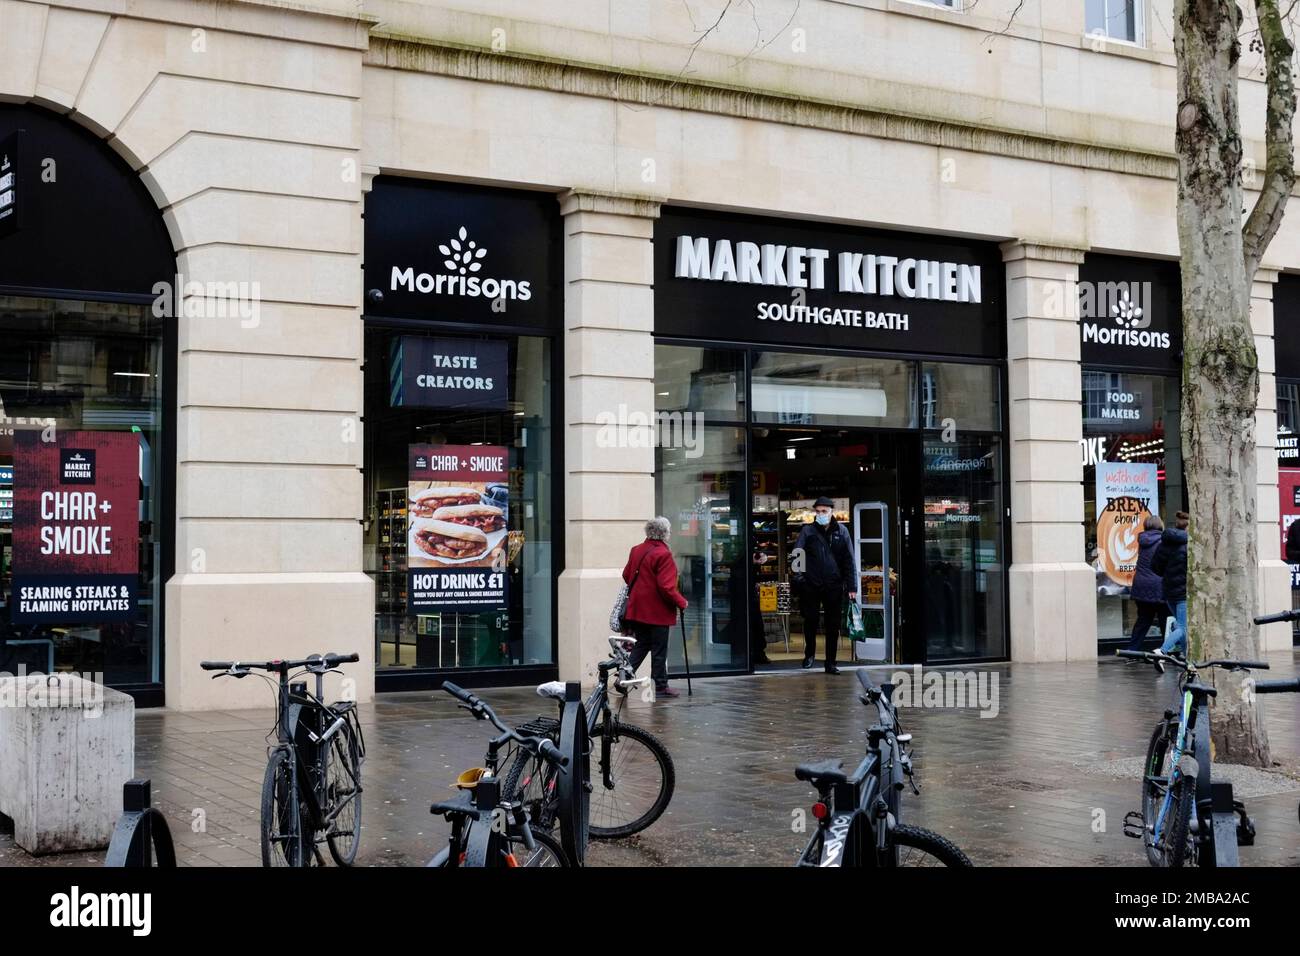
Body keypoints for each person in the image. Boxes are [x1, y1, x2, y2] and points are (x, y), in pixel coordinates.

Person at [622, 516, 689, 699]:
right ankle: (661, 686)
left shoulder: (636, 550)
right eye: (669, 531)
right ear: (664, 533)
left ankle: (624, 677)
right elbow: (667, 587)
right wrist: (682, 601)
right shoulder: (663, 554)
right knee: (659, 649)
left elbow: (627, 575)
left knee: (641, 645)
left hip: (638, 608)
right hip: (657, 611)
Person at [792, 497, 857, 675]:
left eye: (824, 511)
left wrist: (852, 587)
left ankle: (831, 662)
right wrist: (800, 579)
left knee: (833, 624)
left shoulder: (842, 531)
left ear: (831, 512)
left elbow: (849, 561)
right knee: (810, 620)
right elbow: (797, 555)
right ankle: (809, 654)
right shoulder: (808, 531)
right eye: (818, 511)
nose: (821, 514)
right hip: (811, 585)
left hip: (833, 585)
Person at [1122, 514, 1165, 656]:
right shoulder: (1163, 541)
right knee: (1166, 621)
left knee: (1143, 620)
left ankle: (1131, 650)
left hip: (1141, 585)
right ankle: (1166, 651)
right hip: (1158, 585)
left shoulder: (1143, 541)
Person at [1152, 511, 1189, 657]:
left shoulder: (1164, 543)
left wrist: (1168, 575)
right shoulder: (1188, 545)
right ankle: (1162, 651)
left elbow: (1155, 566)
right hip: (1183, 592)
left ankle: (1186, 657)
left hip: (1168, 591)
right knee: (1183, 627)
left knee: (1183, 626)